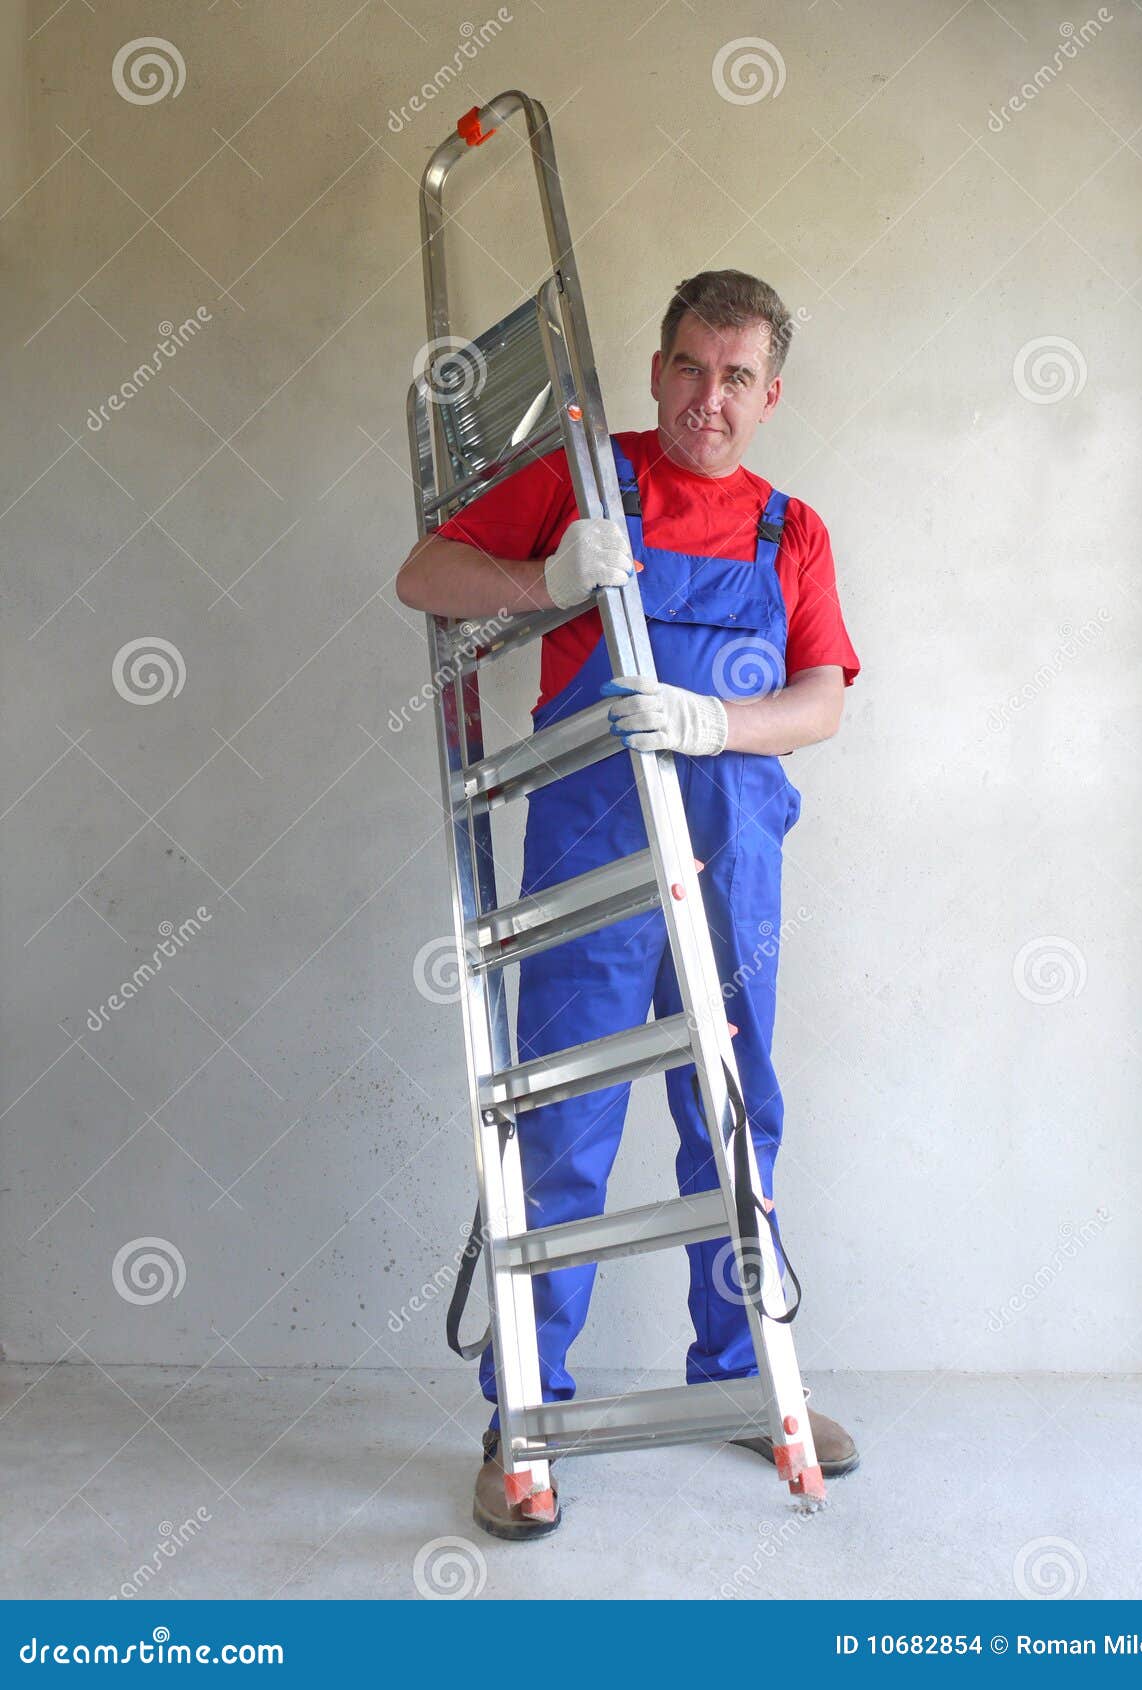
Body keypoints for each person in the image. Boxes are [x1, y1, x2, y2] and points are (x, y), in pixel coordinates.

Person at [397, 270, 862, 1540]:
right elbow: (424, 574)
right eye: (691, 369)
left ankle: (743, 1375)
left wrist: (718, 723)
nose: (710, 400)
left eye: (737, 378)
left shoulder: (792, 531)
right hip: (593, 847)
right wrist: (543, 579)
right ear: (658, 371)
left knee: (736, 1110)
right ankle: (524, 1420)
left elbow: (820, 699)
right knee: (565, 1119)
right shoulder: (589, 479)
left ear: (769, 394)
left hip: (734, 858)